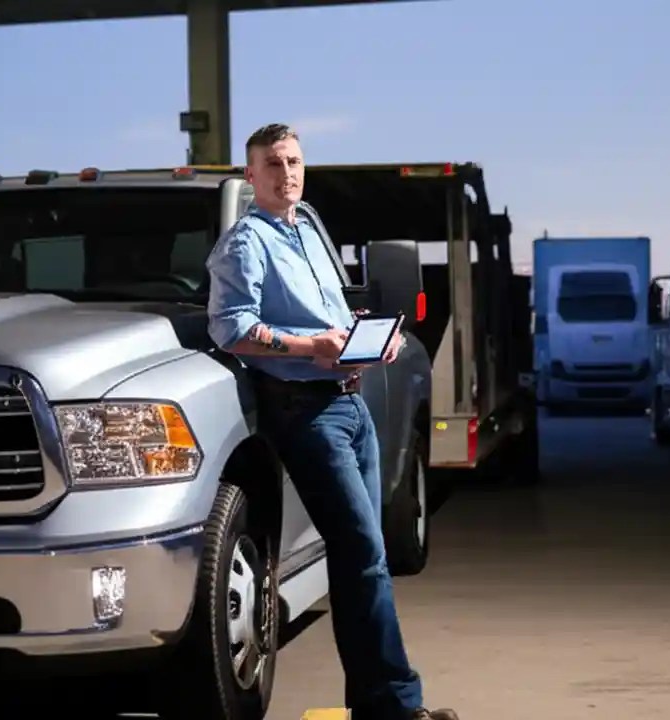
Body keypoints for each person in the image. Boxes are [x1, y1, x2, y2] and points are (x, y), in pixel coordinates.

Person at [205, 122, 459, 720]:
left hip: (350, 401)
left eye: (293, 161)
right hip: (306, 413)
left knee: (359, 561)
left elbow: (332, 310)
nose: (285, 172)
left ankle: (377, 703)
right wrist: (309, 347)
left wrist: (367, 335)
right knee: (365, 554)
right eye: (272, 164)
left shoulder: (308, 227)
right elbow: (231, 327)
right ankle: (397, 706)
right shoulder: (245, 243)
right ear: (251, 175)